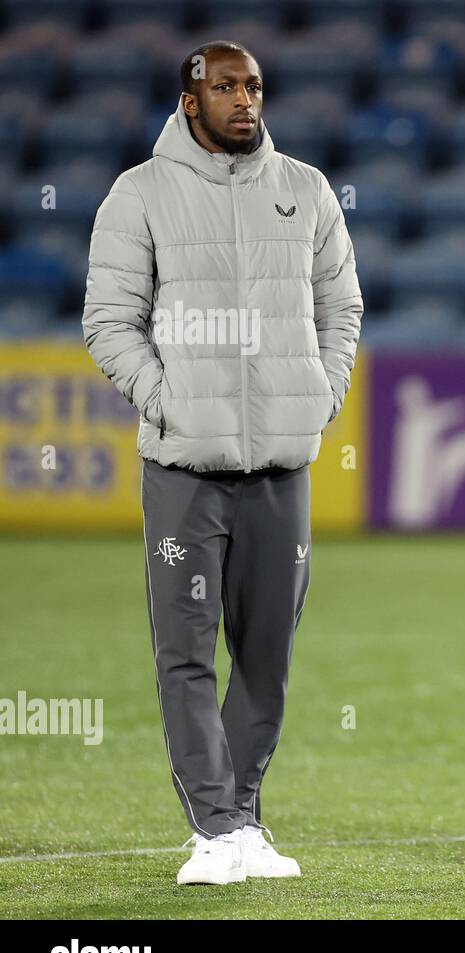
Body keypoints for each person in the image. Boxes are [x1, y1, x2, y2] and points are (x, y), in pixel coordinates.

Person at [82, 40, 362, 885]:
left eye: (255, 86)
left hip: (282, 466)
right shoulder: (139, 194)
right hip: (184, 469)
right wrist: (169, 401)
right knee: (187, 654)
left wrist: (322, 391)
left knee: (267, 655)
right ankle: (214, 829)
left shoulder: (306, 191)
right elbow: (108, 322)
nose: (245, 100)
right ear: (189, 96)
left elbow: (339, 304)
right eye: (226, 86)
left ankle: (241, 821)